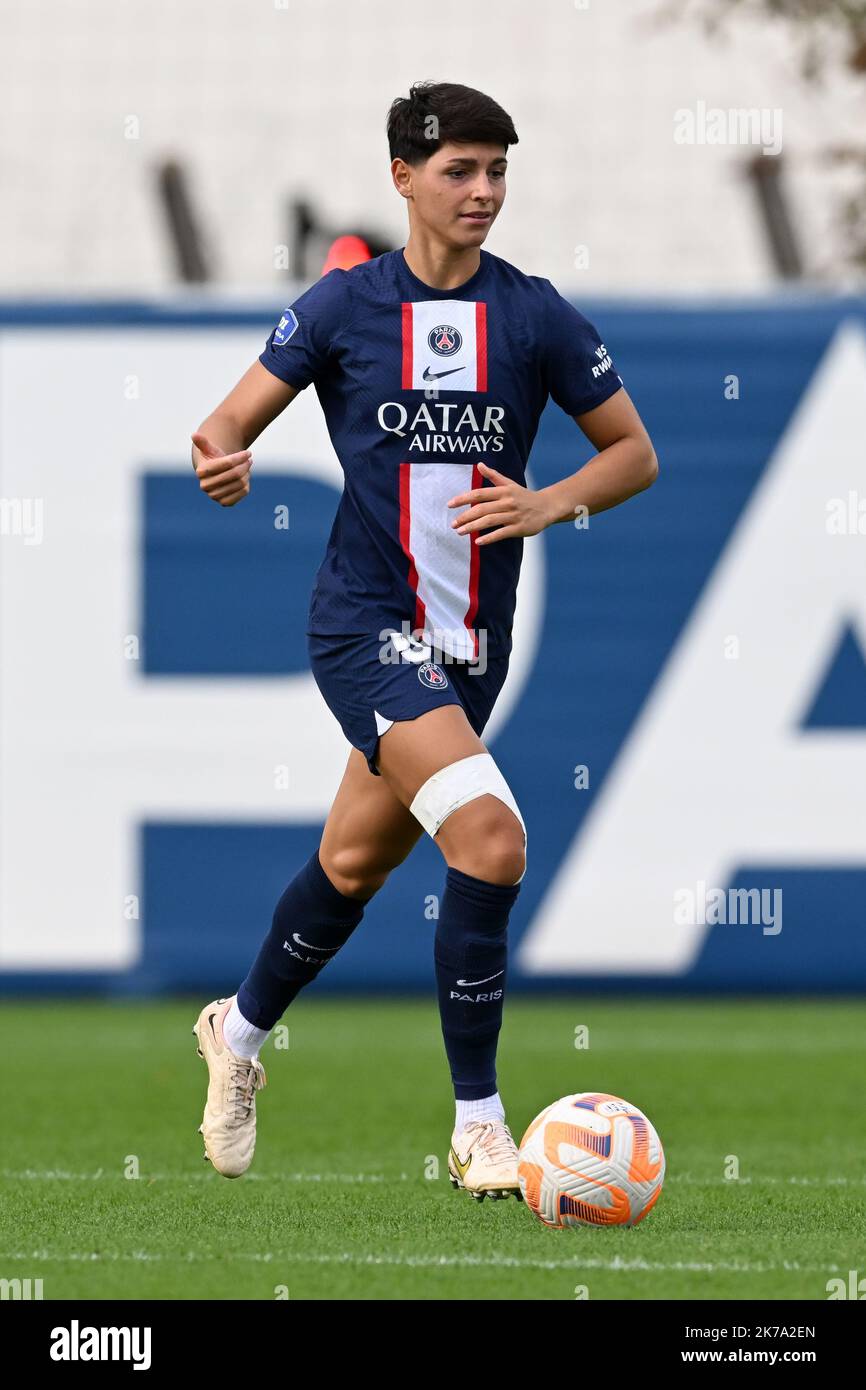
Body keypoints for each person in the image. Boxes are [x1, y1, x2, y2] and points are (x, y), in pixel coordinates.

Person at [190, 81, 658, 1198]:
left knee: (350, 865)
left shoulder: (536, 315)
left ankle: (237, 1032)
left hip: (466, 651)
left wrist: (549, 502)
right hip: (362, 628)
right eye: (458, 169)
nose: (482, 191)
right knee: (491, 841)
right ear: (401, 175)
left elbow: (632, 453)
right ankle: (478, 1126)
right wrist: (220, 456)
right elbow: (226, 421)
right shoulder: (344, 305)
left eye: (497, 170)